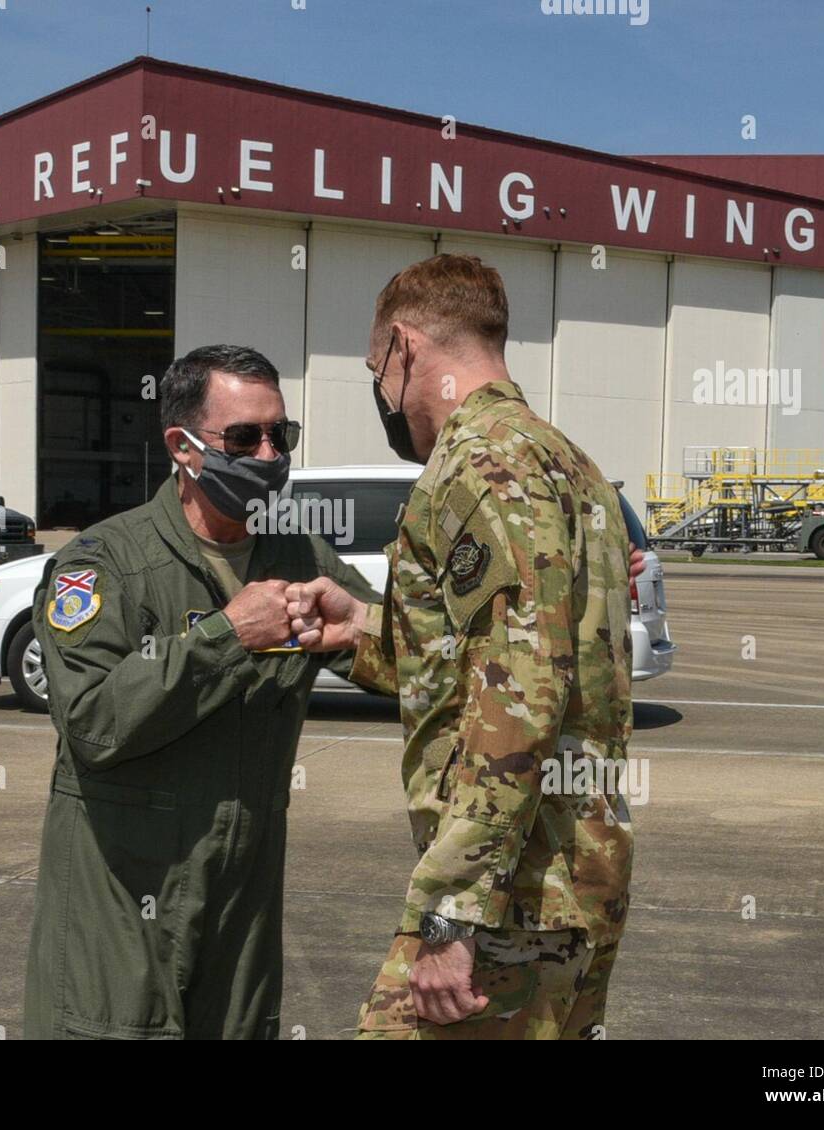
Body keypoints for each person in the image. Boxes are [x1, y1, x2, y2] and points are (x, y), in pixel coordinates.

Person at [286, 254, 637, 1039]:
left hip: (510, 900)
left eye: (376, 369)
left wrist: (450, 918)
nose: (380, 392)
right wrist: (361, 629)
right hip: (565, 878)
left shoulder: (480, 467)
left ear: (404, 347)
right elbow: (495, 655)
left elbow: (520, 695)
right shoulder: (568, 461)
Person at [23, 344, 379, 1040]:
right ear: (183, 449)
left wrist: (363, 627)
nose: (270, 455)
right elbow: (94, 724)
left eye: (283, 435)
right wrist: (226, 636)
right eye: (245, 437)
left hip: (240, 912)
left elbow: (416, 660)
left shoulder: (298, 559)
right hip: (122, 906)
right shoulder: (104, 567)